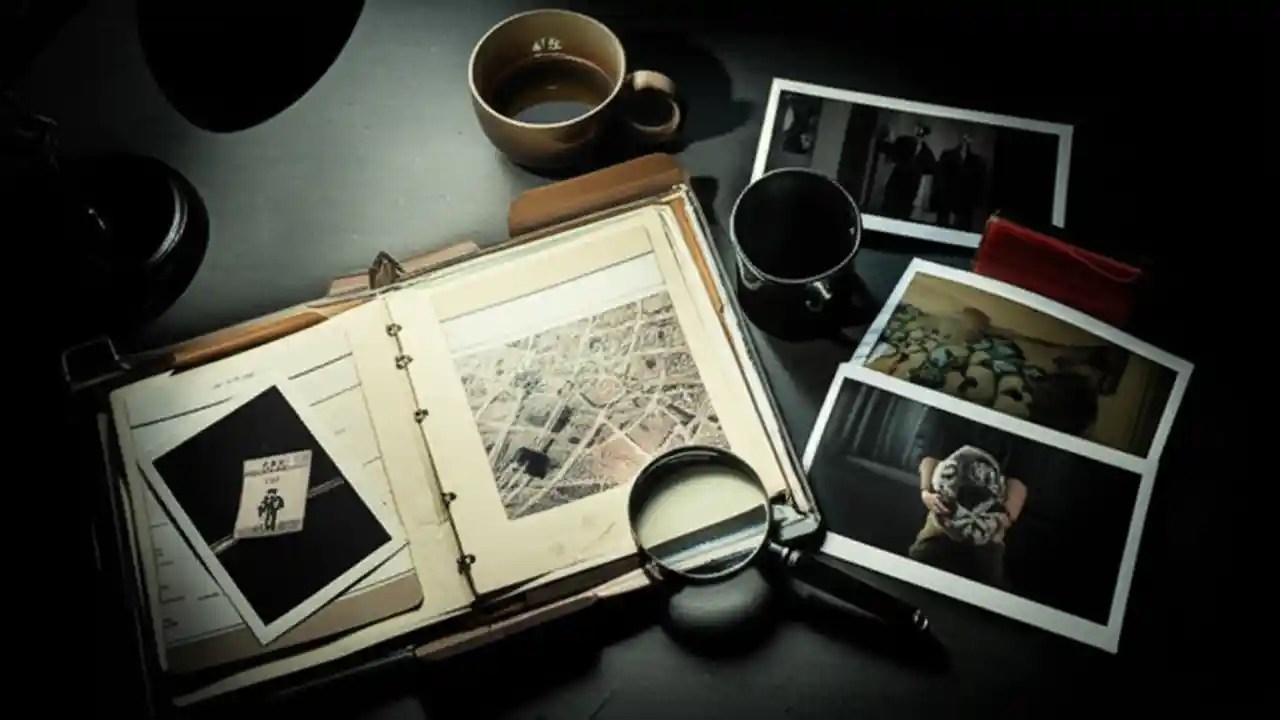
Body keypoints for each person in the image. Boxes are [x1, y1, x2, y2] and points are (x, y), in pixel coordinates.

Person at [908, 412, 1028, 588]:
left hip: (989, 527)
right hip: (942, 519)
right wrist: (926, 491)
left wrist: (1005, 518)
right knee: (920, 561)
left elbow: (1021, 475)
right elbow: (930, 449)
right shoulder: (944, 417)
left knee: (989, 578)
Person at [876, 121, 935, 219]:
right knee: (888, 211)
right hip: (896, 184)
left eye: (922, 131)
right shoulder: (903, 142)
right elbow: (889, 150)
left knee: (903, 213)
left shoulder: (926, 152)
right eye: (918, 130)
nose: (919, 133)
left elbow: (930, 169)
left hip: (910, 189)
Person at [933, 132, 988, 229]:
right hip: (947, 202)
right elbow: (940, 179)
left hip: (964, 206)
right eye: (964, 137)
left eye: (969, 137)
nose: (966, 140)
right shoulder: (947, 156)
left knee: (962, 227)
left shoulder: (977, 161)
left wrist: (976, 203)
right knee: (943, 227)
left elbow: (979, 185)